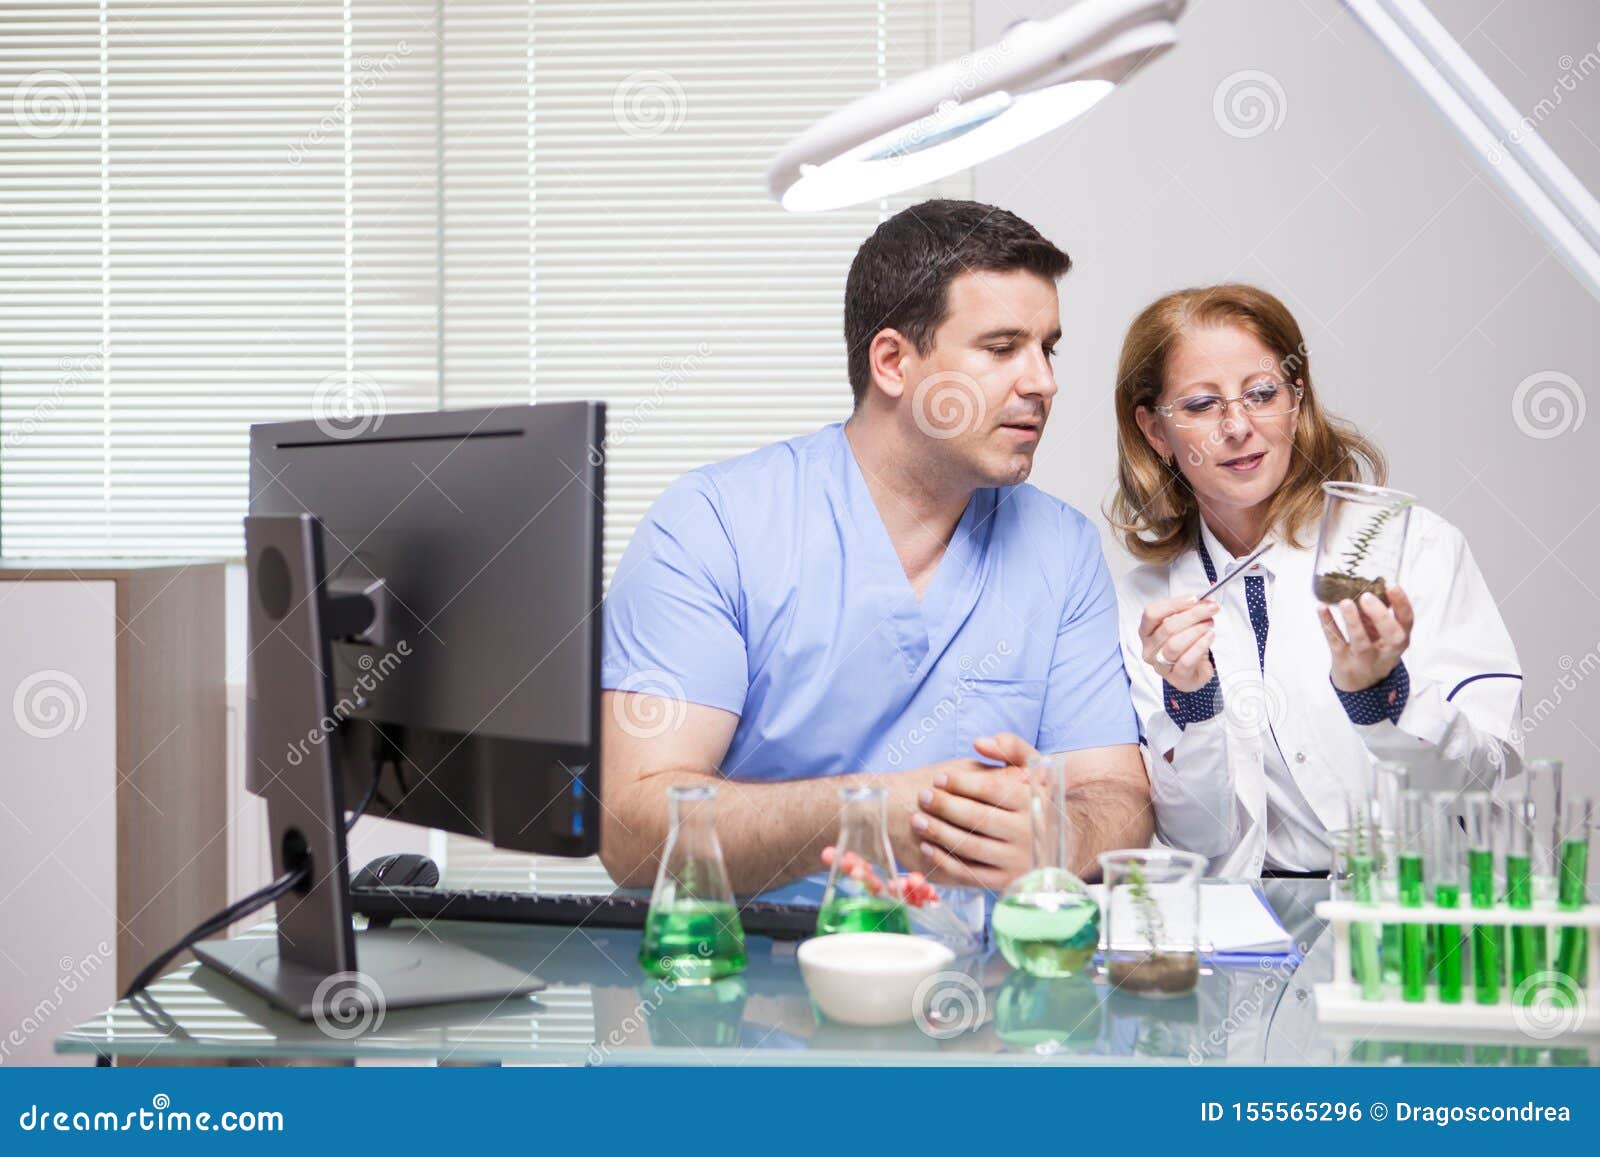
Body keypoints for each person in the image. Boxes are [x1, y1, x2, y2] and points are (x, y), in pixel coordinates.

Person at [599, 199, 1150, 898]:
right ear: (893, 361)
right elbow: (633, 828)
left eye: (1049, 348)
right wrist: (874, 814)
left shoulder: (1060, 549)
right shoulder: (713, 526)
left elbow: (1118, 795)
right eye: (1003, 348)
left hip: (976, 991)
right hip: (752, 979)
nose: (1043, 381)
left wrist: (1062, 836)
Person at [1108, 283, 1522, 878]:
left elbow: (1482, 778)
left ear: (1296, 401)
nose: (1238, 426)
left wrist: (1382, 691)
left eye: (1261, 394)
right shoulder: (1146, 605)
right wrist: (1194, 702)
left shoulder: (1412, 546)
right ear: (1154, 431)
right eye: (1201, 406)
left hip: (1420, 919)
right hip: (1260, 931)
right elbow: (1198, 841)